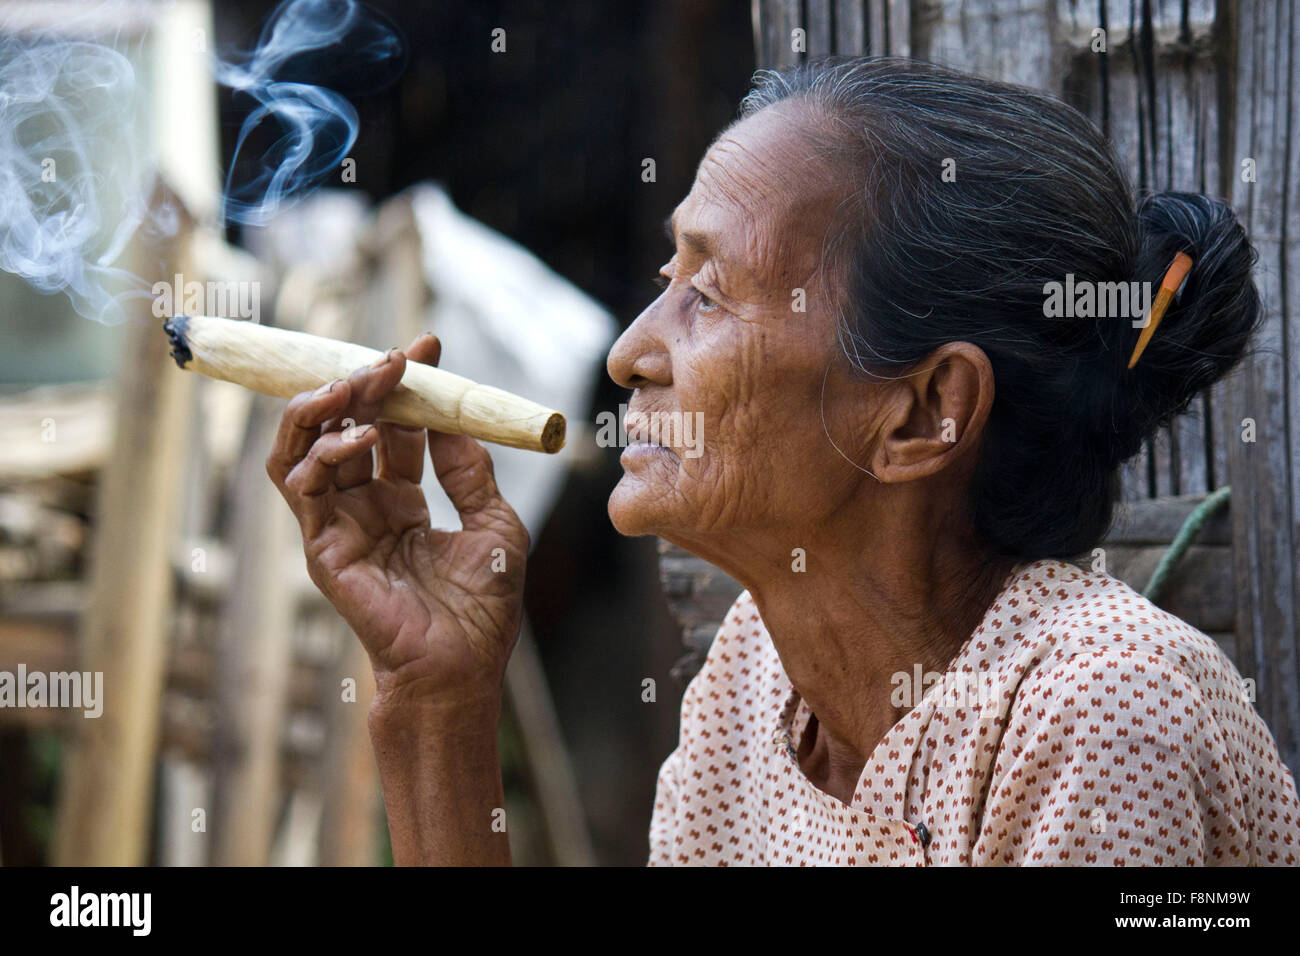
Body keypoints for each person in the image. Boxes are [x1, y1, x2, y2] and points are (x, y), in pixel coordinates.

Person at [266, 57, 1299, 865]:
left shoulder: (1103, 712)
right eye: (669, 277)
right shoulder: (756, 679)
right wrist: (438, 700)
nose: (628, 352)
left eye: (709, 296)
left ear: (923, 414)